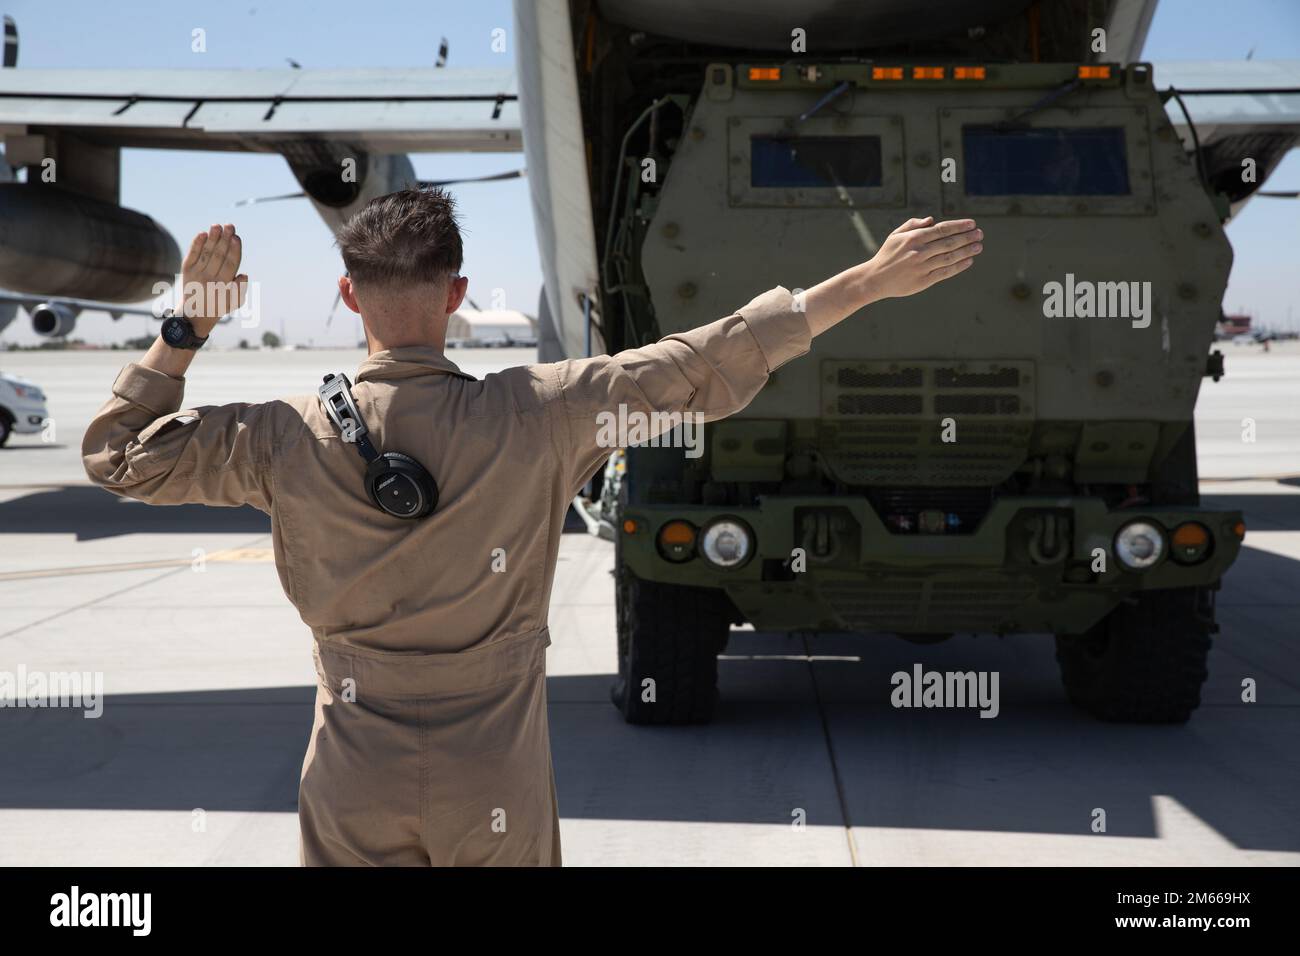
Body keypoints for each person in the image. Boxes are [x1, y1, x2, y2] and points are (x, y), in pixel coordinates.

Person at [81, 188, 982, 866]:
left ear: (350, 298)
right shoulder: (547, 412)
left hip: (353, 772)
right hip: (495, 781)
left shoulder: (278, 435)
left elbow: (116, 457)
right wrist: (867, 282)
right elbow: (703, 364)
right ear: (458, 292)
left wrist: (188, 323)